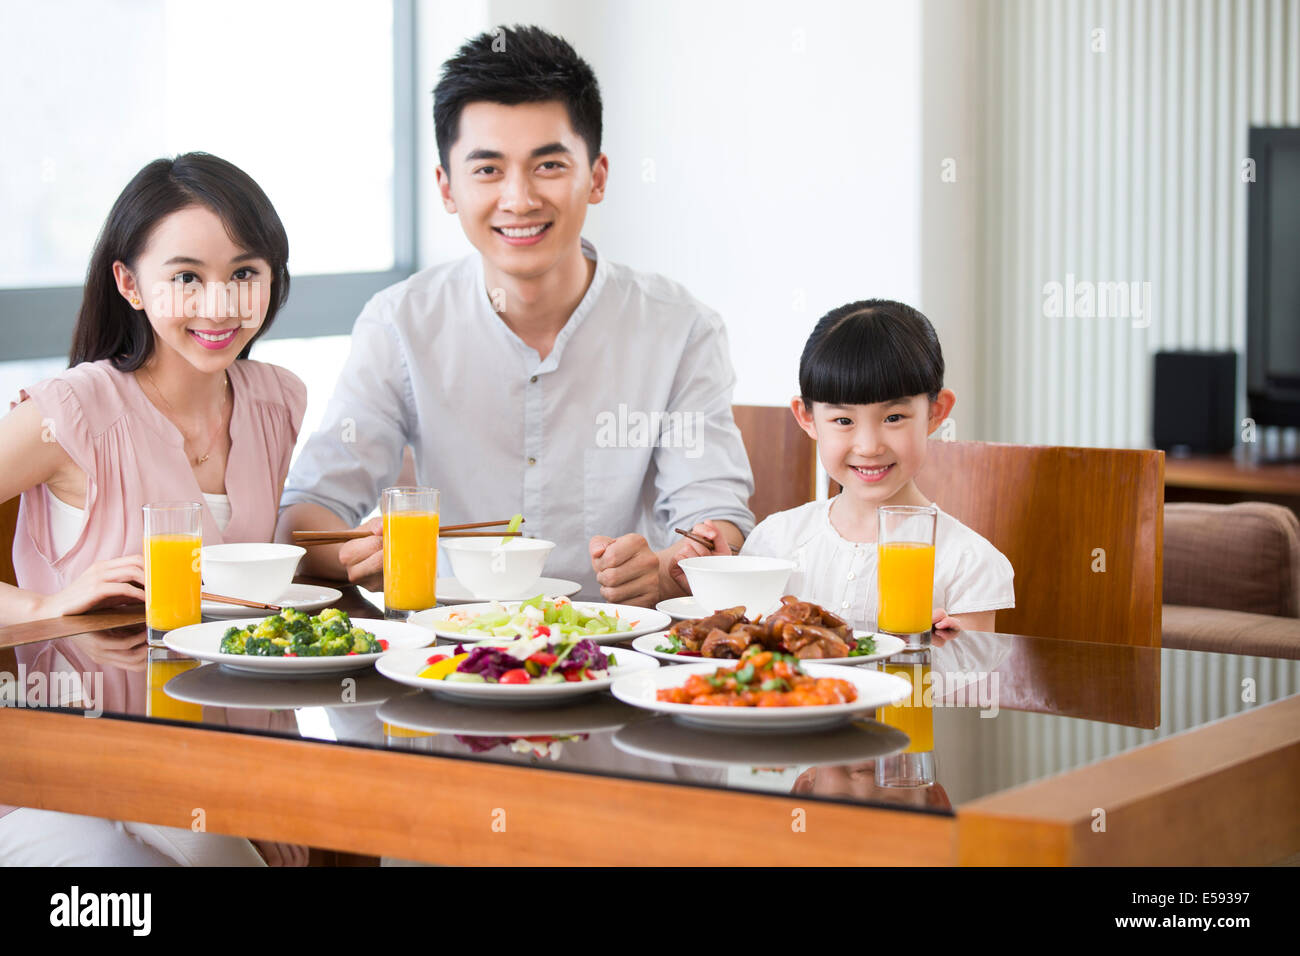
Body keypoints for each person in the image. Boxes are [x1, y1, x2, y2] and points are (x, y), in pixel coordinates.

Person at [276, 25, 755, 607]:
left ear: (596, 177)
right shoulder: (400, 323)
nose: (520, 199)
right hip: (448, 657)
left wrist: (669, 568)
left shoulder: (679, 328)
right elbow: (308, 511)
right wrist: (357, 553)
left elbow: (717, 517)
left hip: (622, 656)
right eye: (487, 170)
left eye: (549, 165)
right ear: (447, 187)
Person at [0, 152, 307, 865]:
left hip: (238, 754)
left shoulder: (278, 401)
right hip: (76, 762)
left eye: (244, 274)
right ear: (130, 284)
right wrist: (49, 605)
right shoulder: (71, 412)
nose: (220, 304)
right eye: (186, 278)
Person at [671, 299, 1014, 634]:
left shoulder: (970, 563)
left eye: (893, 417)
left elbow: (970, 683)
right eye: (843, 420)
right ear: (807, 417)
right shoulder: (774, 542)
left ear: (936, 412)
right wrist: (722, 579)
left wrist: (943, 648)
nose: (869, 446)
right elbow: (748, 655)